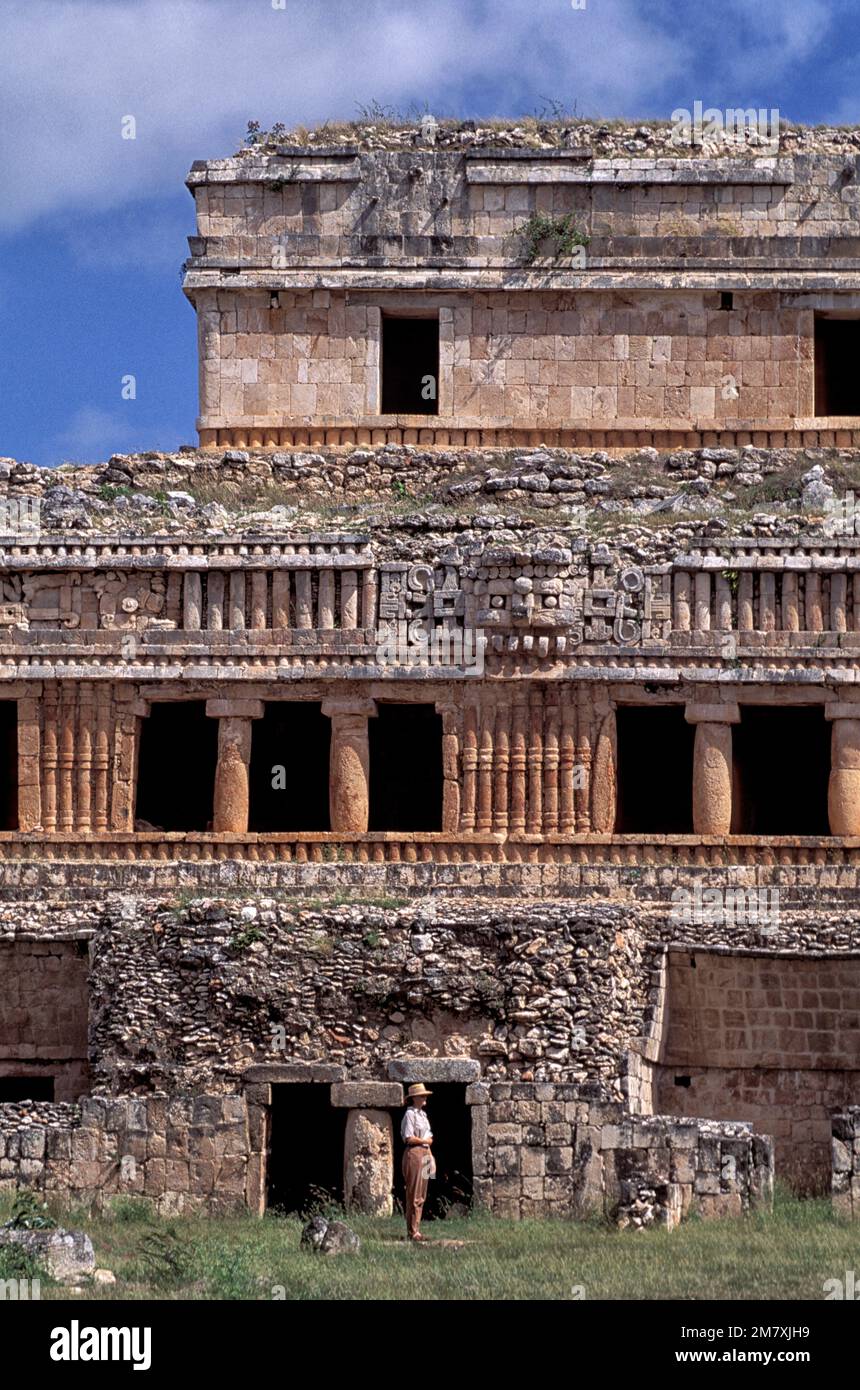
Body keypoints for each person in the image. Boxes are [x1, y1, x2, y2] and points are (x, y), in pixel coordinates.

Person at [401, 1083, 435, 1241]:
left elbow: (430, 1138)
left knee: (423, 1192)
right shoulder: (410, 1115)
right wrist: (424, 1141)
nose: (424, 1098)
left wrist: (431, 1155)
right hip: (415, 1152)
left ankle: (417, 1229)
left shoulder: (423, 1115)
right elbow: (409, 1137)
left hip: (426, 1152)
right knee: (414, 1192)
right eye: (422, 1095)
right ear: (414, 1098)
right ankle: (412, 1231)